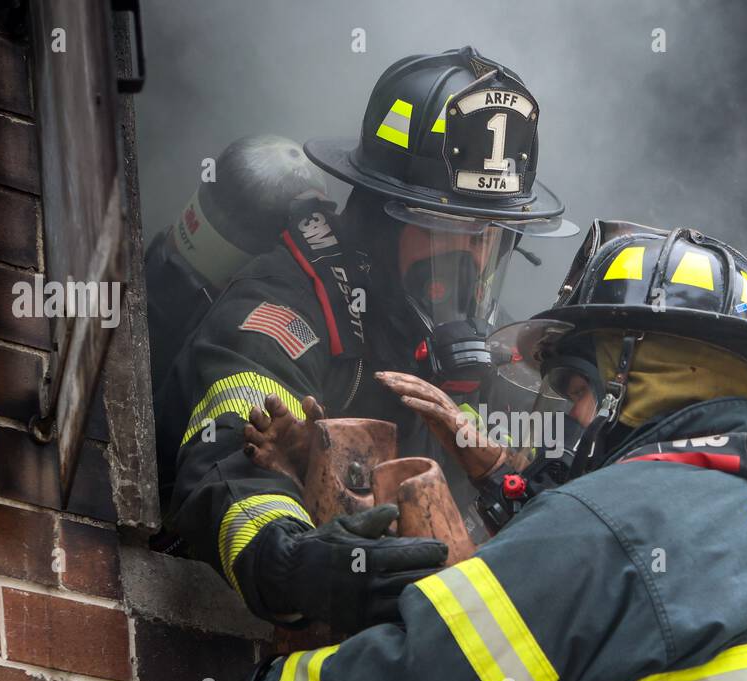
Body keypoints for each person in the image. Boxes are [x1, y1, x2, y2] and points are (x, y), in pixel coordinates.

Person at [192, 220, 747, 681]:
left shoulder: (626, 512)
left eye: (581, 390)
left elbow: (438, 674)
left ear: (633, 377)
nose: (573, 418)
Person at [152, 47, 573, 632]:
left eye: (492, 236)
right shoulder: (283, 307)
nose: (473, 260)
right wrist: (290, 562)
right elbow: (230, 456)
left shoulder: (481, 350)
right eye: (450, 228)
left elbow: (528, 492)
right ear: (381, 221)